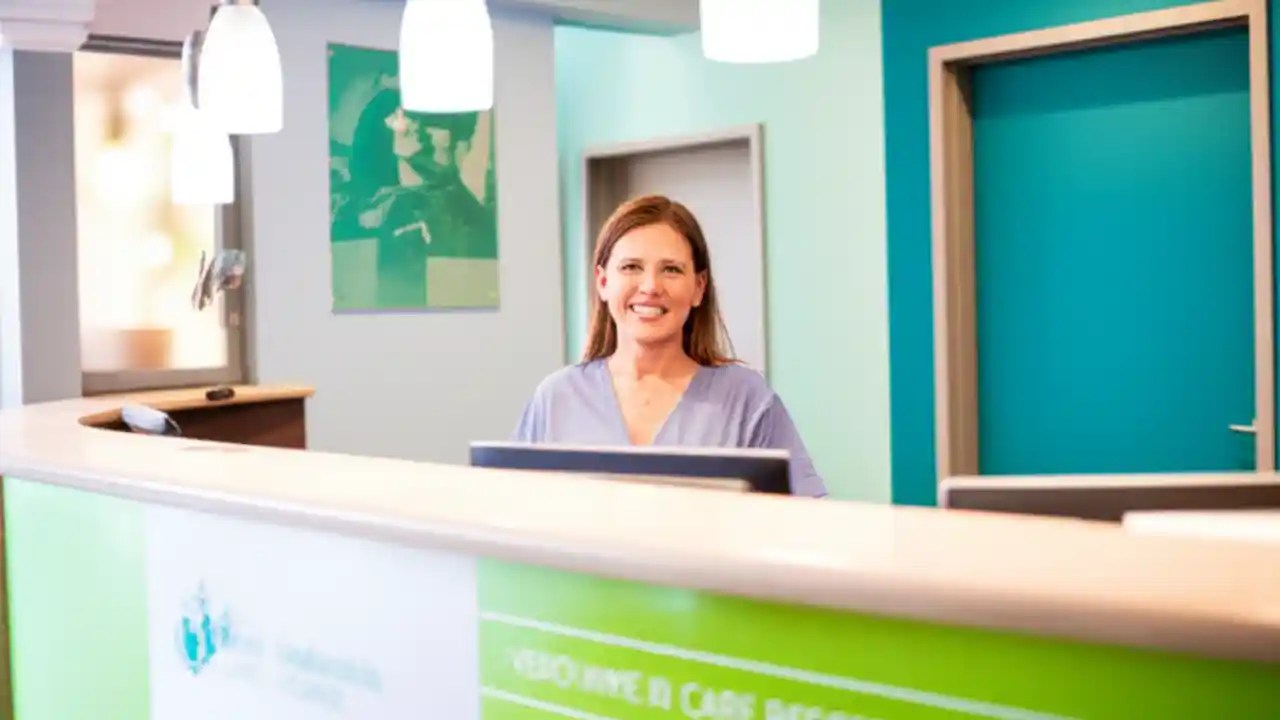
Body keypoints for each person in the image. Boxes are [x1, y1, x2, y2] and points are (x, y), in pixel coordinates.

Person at [512, 194, 827, 498]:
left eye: (671, 269)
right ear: (603, 282)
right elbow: (512, 513)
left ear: (698, 287)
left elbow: (807, 516)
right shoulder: (556, 398)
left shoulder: (746, 400)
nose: (650, 286)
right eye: (631, 267)